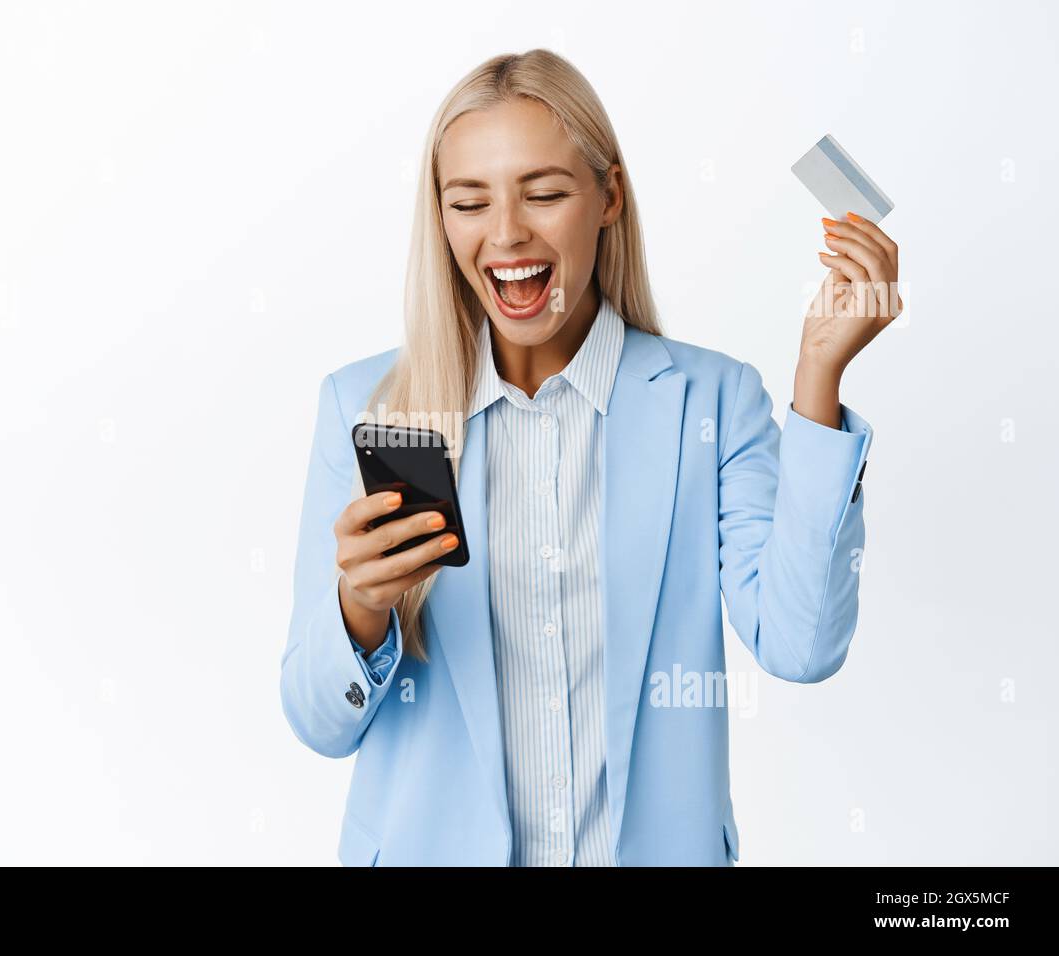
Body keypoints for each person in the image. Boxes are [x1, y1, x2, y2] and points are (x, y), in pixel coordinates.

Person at [280, 49, 900, 866]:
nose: (506, 233)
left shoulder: (711, 403)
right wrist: (360, 605)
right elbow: (321, 723)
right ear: (441, 218)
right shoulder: (374, 410)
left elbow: (801, 645)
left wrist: (819, 377)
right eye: (469, 201)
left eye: (543, 193)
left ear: (608, 197)